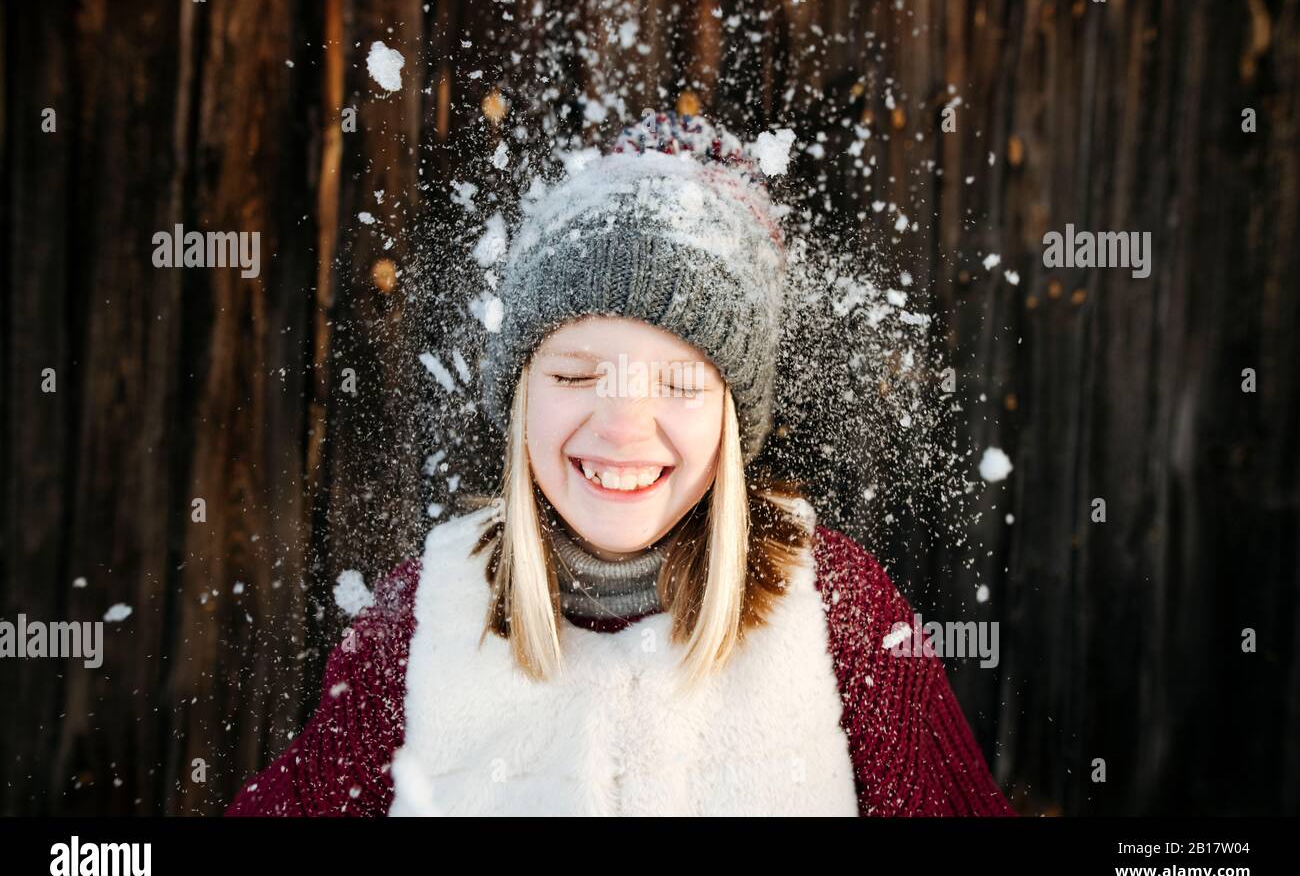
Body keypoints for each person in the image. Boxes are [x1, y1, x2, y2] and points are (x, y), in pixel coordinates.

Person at [225, 110, 1015, 817]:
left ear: (733, 422)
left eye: (678, 383)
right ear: (520, 397)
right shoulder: (420, 626)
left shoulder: (839, 616)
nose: (623, 427)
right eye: (575, 376)